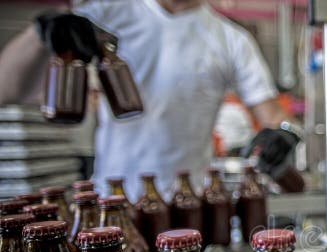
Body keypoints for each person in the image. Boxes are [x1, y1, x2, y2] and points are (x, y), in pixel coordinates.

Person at [0, 0, 295, 197]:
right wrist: (44, 29)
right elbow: (7, 88)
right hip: (114, 202)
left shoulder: (231, 39)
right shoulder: (108, 14)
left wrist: (286, 135)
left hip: (187, 202)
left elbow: (273, 116)